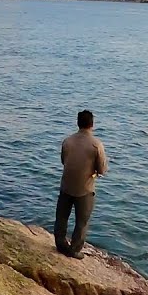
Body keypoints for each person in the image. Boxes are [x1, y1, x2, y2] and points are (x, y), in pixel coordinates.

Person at [54, 109, 108, 258]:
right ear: (92, 124)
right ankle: (75, 250)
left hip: (66, 186)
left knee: (61, 218)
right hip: (84, 189)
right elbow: (102, 170)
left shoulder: (67, 141)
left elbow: (64, 161)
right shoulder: (96, 145)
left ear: (77, 123)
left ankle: (60, 244)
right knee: (81, 222)